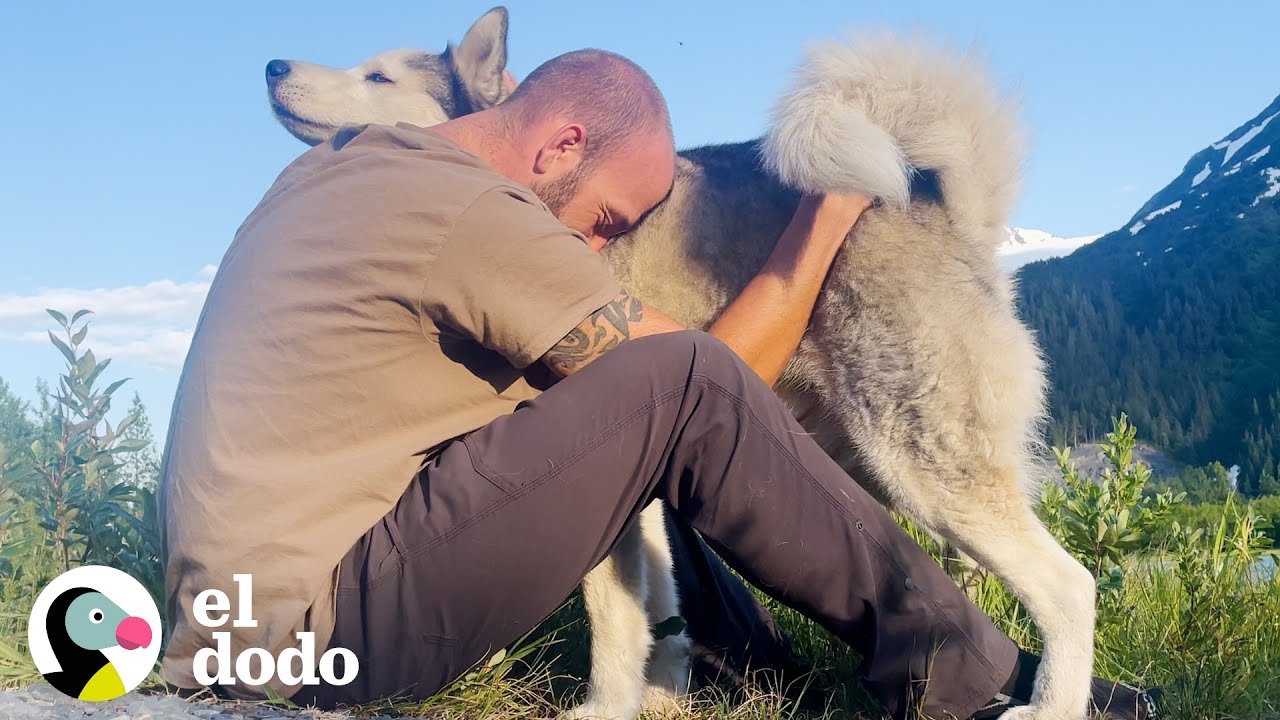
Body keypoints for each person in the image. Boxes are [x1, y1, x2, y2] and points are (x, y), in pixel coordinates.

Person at [158, 48, 1158, 719]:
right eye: (604, 220)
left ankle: (725, 665)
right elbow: (702, 385)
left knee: (610, 409)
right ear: (555, 148)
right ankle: (970, 686)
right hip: (313, 637)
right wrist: (821, 216)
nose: (601, 246)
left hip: (241, 623)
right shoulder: (466, 210)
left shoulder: (341, 179)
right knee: (670, 374)